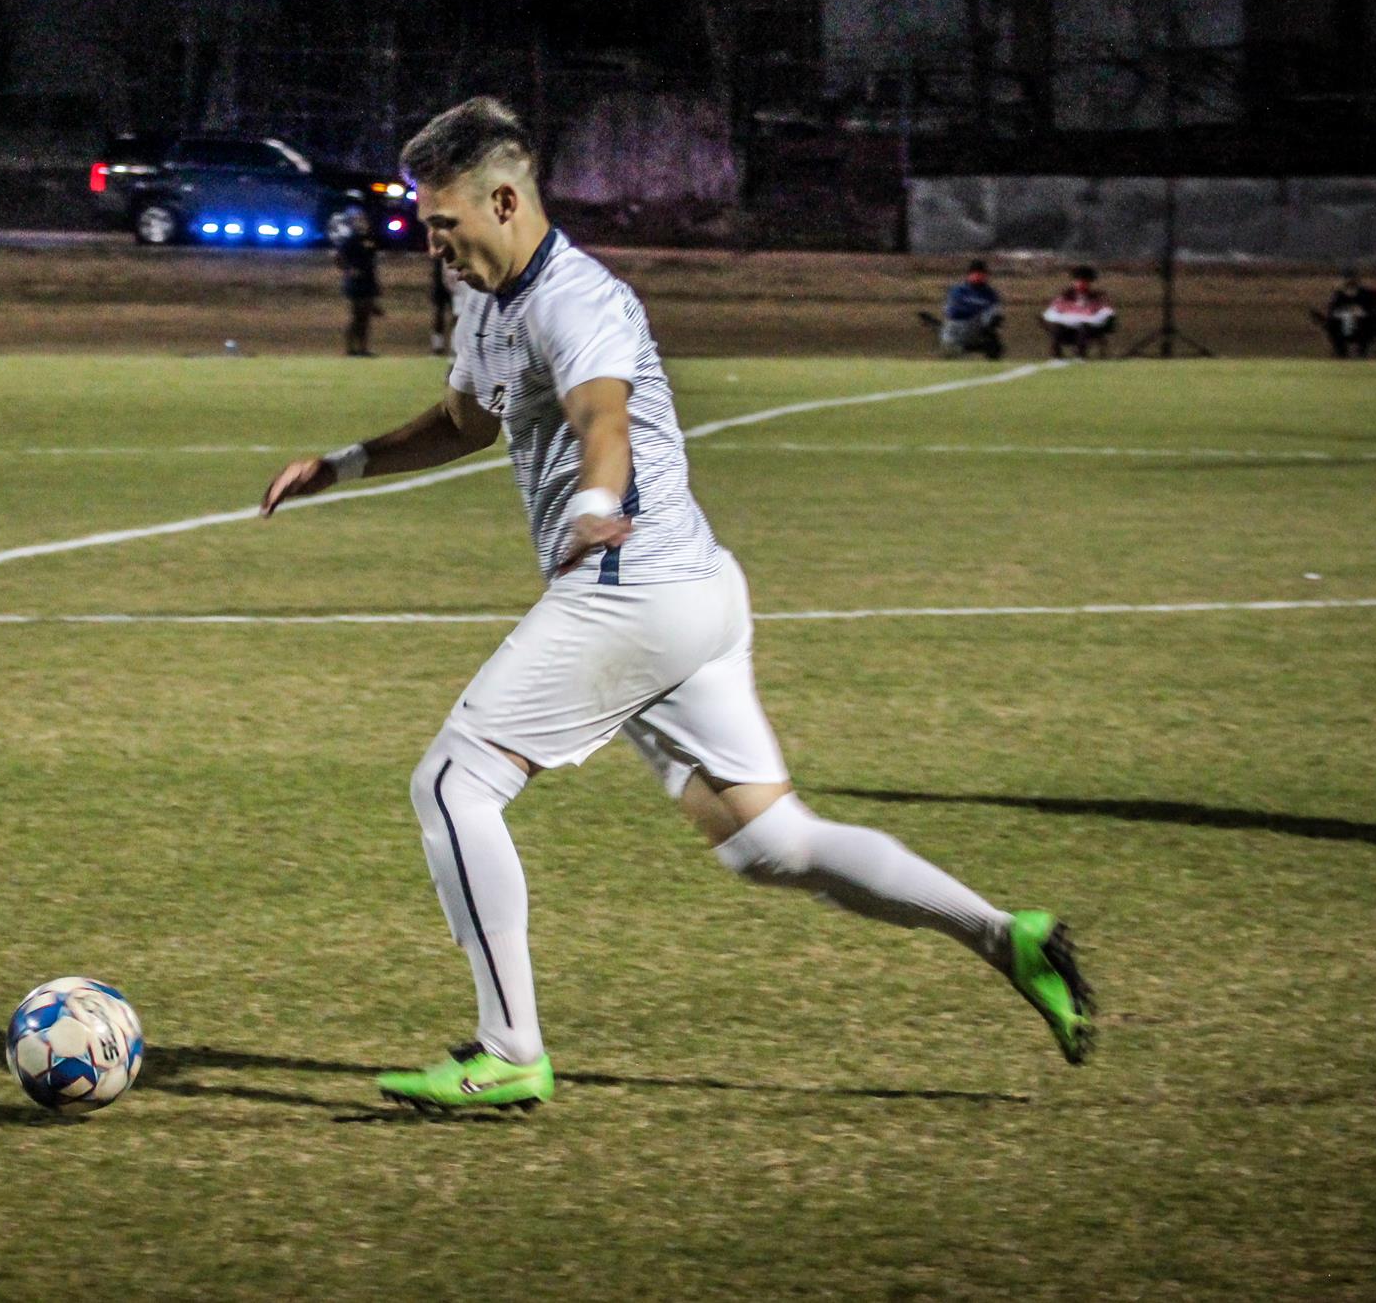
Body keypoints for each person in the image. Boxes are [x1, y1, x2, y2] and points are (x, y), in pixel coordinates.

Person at [260, 97, 1095, 1113]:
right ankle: (1005, 935)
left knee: (451, 784)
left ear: (506, 200)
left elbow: (599, 415)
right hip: (691, 591)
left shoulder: (581, 300)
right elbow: (464, 420)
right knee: (769, 844)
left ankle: (508, 1047)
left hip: (634, 586)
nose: (427, 243)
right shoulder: (482, 295)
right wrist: (342, 463)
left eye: (442, 223)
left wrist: (600, 502)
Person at [333, 207, 382, 355]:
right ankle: (350, 348)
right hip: (355, 283)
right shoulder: (350, 240)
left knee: (366, 317)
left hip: (368, 281)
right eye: (358, 221)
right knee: (357, 315)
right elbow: (338, 258)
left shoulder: (371, 239)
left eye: (363, 220)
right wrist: (349, 269)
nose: (362, 223)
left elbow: (373, 260)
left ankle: (363, 348)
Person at [1041, 265, 1116, 359]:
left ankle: (1080, 355)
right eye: (1078, 281)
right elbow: (1050, 313)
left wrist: (1088, 320)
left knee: (1083, 328)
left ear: (1089, 283)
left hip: (1088, 329)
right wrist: (1067, 319)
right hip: (1067, 329)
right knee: (1058, 328)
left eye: (1084, 281)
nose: (1080, 283)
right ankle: (1056, 355)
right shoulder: (1065, 297)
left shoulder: (1097, 298)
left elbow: (1107, 313)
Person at [935, 259, 1004, 359]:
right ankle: (961, 349)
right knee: (950, 352)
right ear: (969, 274)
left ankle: (985, 354)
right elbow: (953, 312)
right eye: (976, 273)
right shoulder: (958, 290)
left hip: (976, 330)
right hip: (956, 329)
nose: (979, 276)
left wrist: (990, 323)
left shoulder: (990, 293)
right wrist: (978, 311)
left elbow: (996, 314)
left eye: (982, 274)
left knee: (995, 344)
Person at [1316, 271, 1376, 358]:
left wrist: (1361, 313)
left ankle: (1361, 354)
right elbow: (1332, 312)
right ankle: (1342, 355)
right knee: (1332, 326)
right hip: (1342, 328)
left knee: (1369, 326)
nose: (1350, 282)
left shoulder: (1366, 295)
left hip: (1363, 328)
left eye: (1352, 280)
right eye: (1347, 280)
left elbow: (1371, 312)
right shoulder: (1338, 296)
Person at [429, 255, 460, 355]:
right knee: (439, 314)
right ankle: (437, 345)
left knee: (457, 316)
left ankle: (456, 345)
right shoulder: (440, 253)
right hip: (441, 284)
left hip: (456, 285)